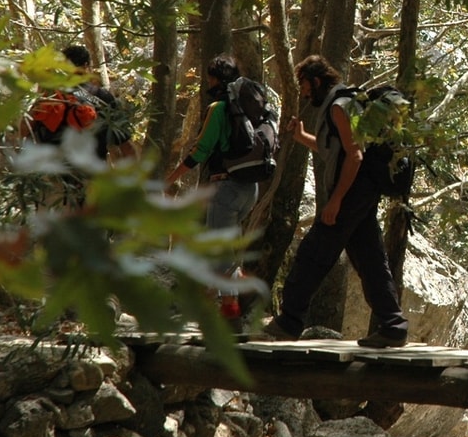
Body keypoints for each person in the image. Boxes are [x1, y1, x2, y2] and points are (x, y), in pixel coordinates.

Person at [262, 55, 408, 348]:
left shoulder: (340, 106)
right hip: (359, 192)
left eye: (303, 84)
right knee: (370, 260)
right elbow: (335, 149)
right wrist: (302, 135)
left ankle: (289, 320)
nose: (303, 92)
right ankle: (392, 326)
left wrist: (336, 201)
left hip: (352, 191)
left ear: (316, 81)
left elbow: (355, 156)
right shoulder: (341, 104)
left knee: (312, 253)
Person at [24, 43, 134, 205]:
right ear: (86, 66)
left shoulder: (50, 95)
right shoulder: (102, 98)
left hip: (51, 179)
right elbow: (127, 147)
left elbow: (25, 128)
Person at [165, 54, 260, 234]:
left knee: (218, 256)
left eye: (210, 79)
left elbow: (200, 151)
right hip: (250, 188)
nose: (208, 83)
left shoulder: (219, 109)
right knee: (230, 247)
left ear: (215, 79)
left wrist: (170, 179)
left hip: (227, 188)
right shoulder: (250, 107)